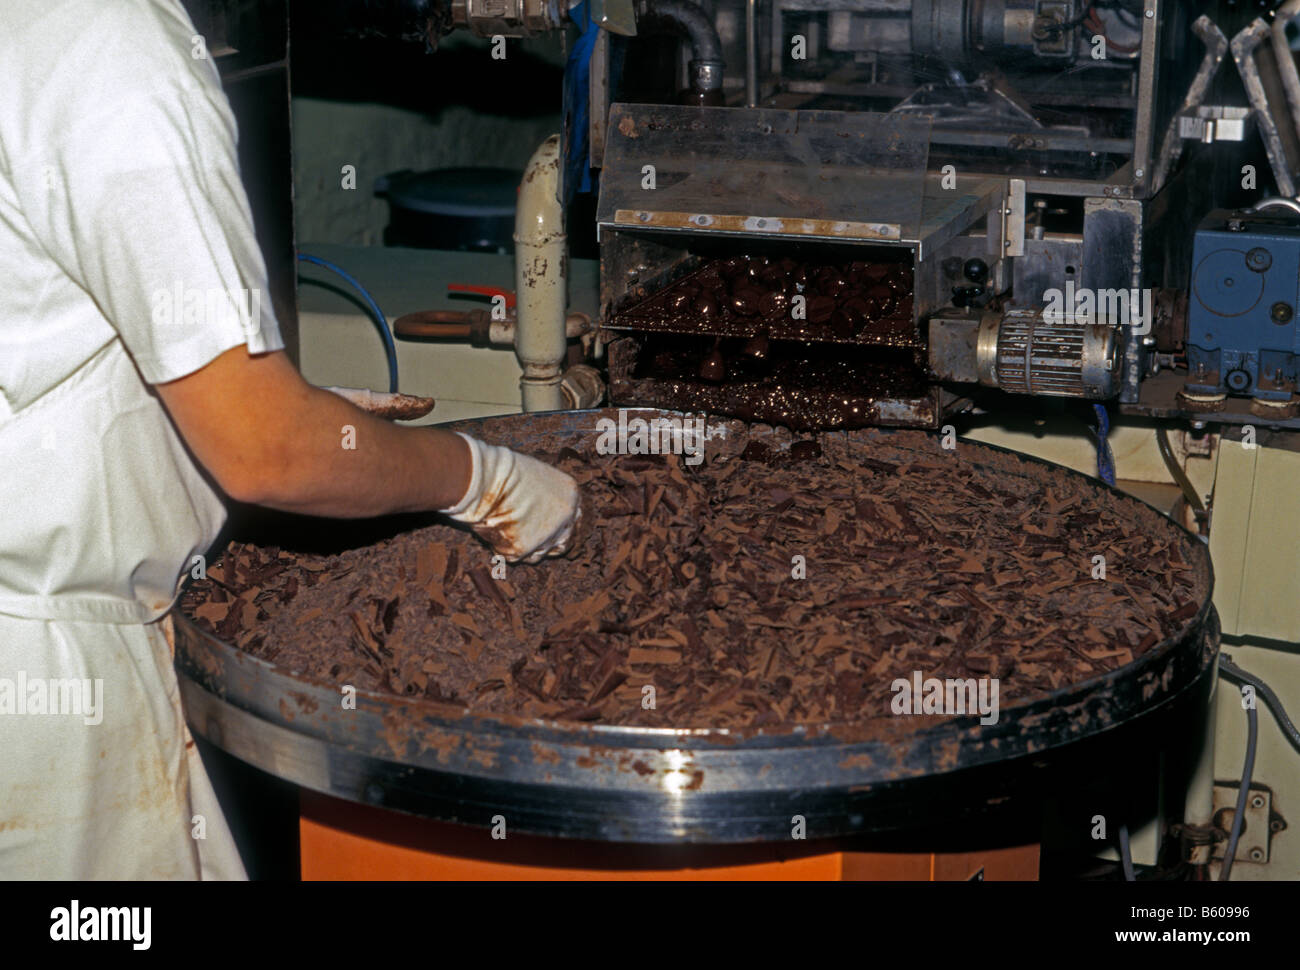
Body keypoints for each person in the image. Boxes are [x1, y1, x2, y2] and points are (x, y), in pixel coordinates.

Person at [0, 0, 582, 879]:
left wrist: (254, 400)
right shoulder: (108, 38)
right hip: (48, 676)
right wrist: (483, 476)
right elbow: (265, 451)